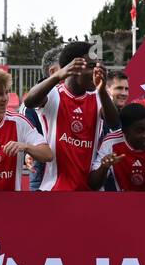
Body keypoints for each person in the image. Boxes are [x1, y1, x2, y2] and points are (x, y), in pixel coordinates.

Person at [23, 41, 120, 191]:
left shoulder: (98, 97)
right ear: (73, 68)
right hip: (53, 191)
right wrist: (57, 76)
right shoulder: (54, 94)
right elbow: (29, 102)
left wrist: (101, 90)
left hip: (87, 192)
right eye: (91, 66)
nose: (96, 71)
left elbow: (114, 123)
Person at [90, 103, 145, 197]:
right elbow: (94, 185)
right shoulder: (111, 142)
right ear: (125, 131)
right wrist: (104, 167)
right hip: (124, 203)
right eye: (140, 131)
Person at [24, 44, 63, 191]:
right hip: (42, 169)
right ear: (53, 72)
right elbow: (28, 136)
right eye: (67, 67)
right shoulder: (33, 104)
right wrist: (31, 152)